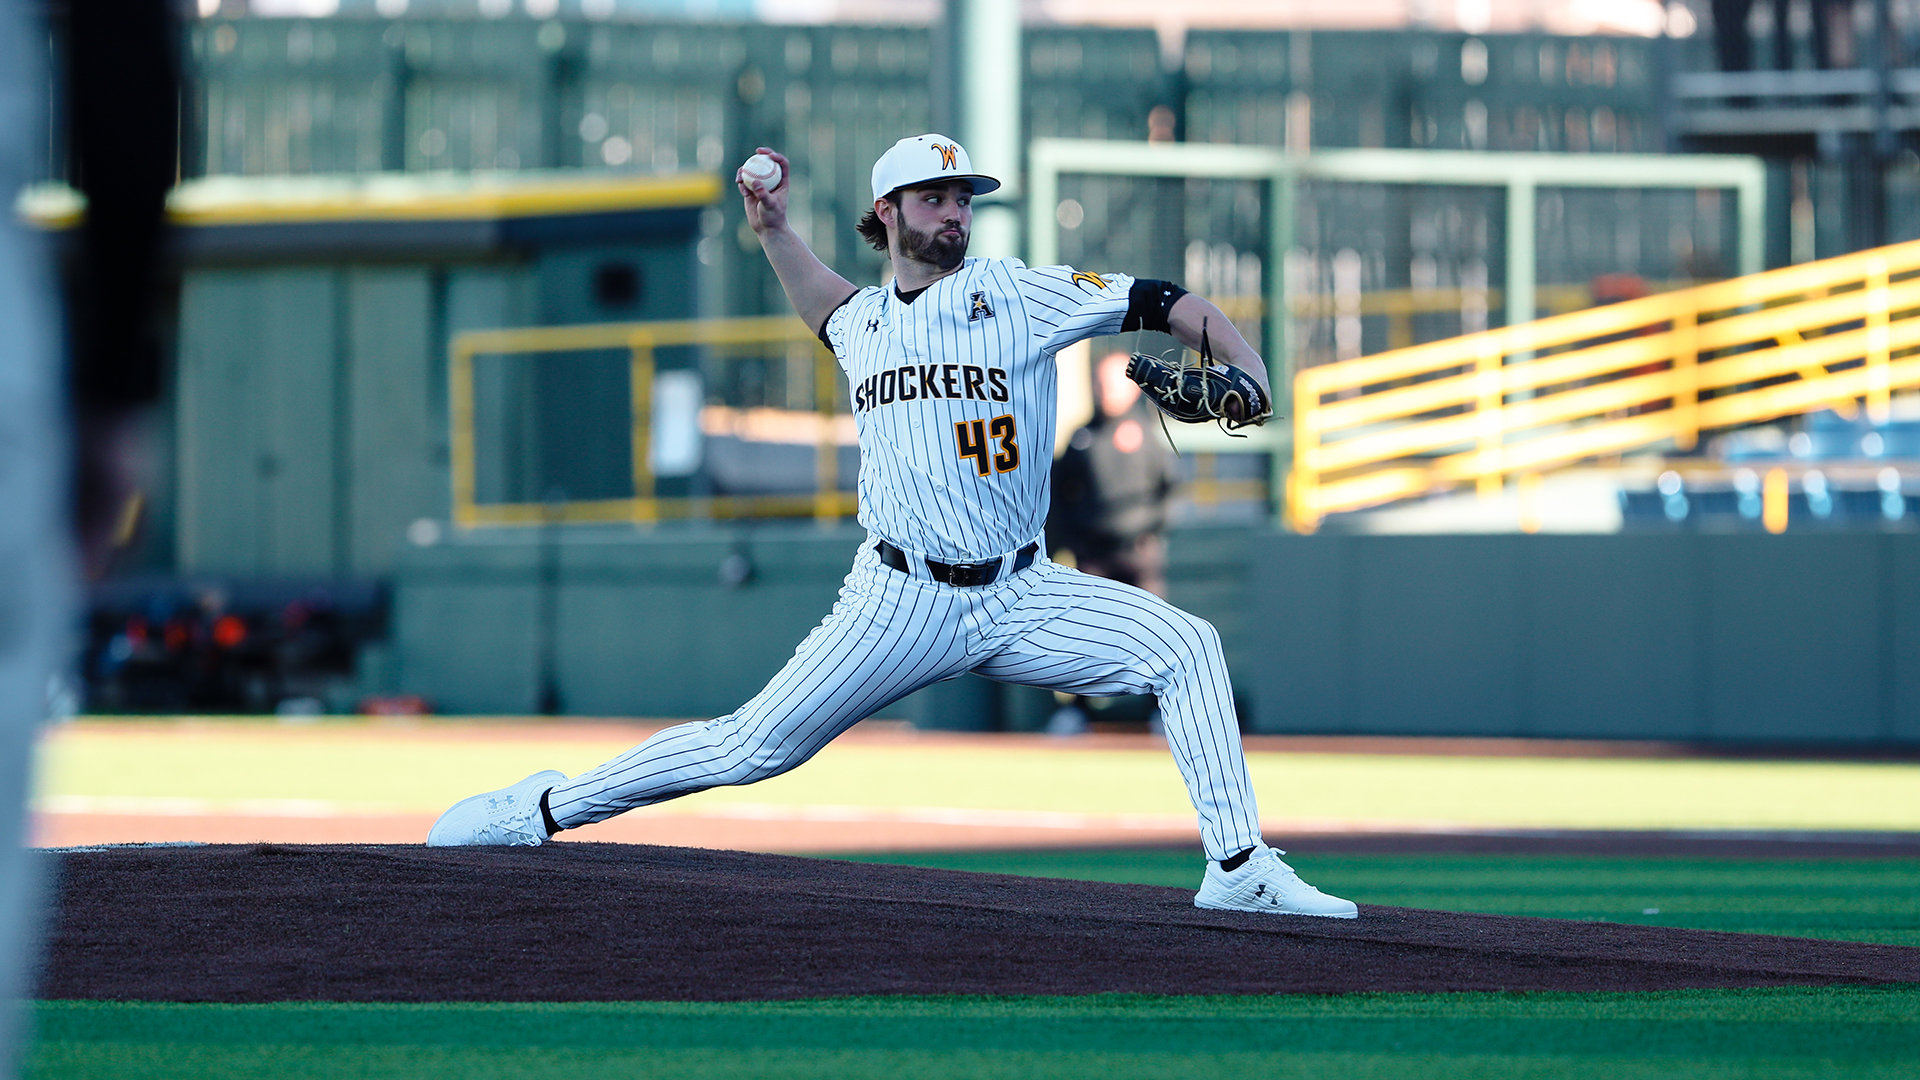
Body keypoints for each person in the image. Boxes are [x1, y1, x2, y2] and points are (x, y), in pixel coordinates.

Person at [428, 133, 1357, 919]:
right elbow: (820, 302)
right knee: (749, 748)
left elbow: (1160, 300)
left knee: (1187, 646)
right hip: (897, 598)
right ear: (889, 210)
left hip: (1024, 588)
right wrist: (774, 230)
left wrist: (1248, 363)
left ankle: (1239, 871)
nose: (955, 211)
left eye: (963, 197)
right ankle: (539, 809)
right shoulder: (864, 322)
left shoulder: (1018, 291)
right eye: (935, 196)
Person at [1045, 350, 1180, 734]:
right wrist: (1070, 541)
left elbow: (1168, 490)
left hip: (1139, 555)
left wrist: (1150, 532)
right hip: (1093, 557)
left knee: (1154, 634)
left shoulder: (1147, 434)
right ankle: (1079, 711)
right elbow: (1059, 492)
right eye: (1100, 382)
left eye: (1113, 383)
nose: (1104, 390)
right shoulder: (1083, 435)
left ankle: (1162, 713)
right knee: (1088, 634)